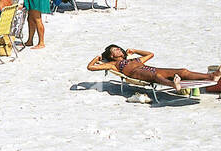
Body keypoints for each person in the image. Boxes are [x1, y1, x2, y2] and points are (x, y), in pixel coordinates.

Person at [87, 45, 216, 92]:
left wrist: (135, 50)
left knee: (182, 71)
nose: (119, 50)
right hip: (137, 73)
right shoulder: (113, 65)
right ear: (111, 56)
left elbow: (150, 54)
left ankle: (211, 76)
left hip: (151, 68)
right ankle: (172, 84)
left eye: (119, 48)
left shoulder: (133, 59)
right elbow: (90, 67)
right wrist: (98, 58)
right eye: (115, 50)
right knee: (155, 77)